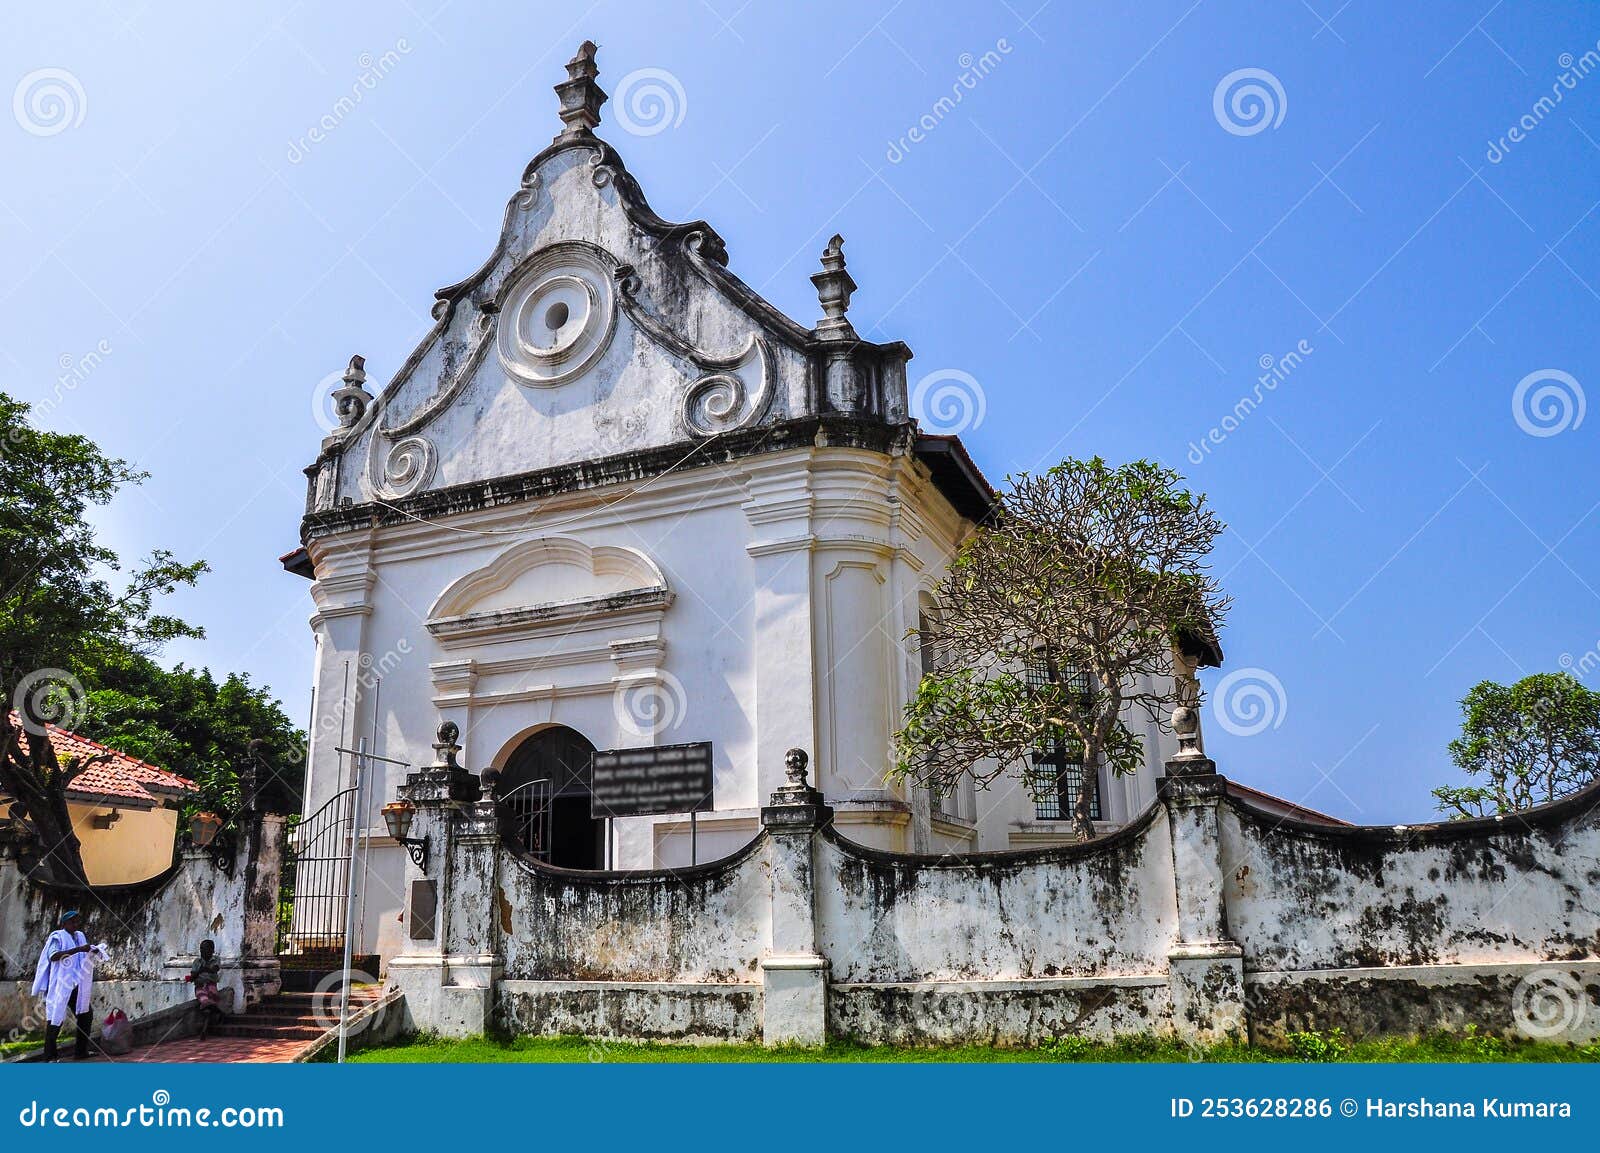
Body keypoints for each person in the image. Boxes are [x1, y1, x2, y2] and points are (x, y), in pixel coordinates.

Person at [31, 910, 97, 1061]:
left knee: (86, 1015)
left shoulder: (79, 936)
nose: (75, 925)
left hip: (75, 983)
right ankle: (49, 1057)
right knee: (55, 1018)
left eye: (76, 922)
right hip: (60, 984)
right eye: (72, 922)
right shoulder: (57, 937)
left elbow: (82, 955)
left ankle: (81, 1051)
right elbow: (53, 956)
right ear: (64, 924)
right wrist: (78, 950)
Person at [183, 940, 223, 1040]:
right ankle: (205, 1029)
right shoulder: (197, 962)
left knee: (210, 1002)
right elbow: (192, 977)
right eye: (201, 948)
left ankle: (205, 1028)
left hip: (211, 985)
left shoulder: (216, 959)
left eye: (204, 948)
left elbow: (214, 969)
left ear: (211, 950)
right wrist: (201, 971)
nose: (202, 951)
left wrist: (201, 970)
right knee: (206, 1003)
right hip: (200, 986)